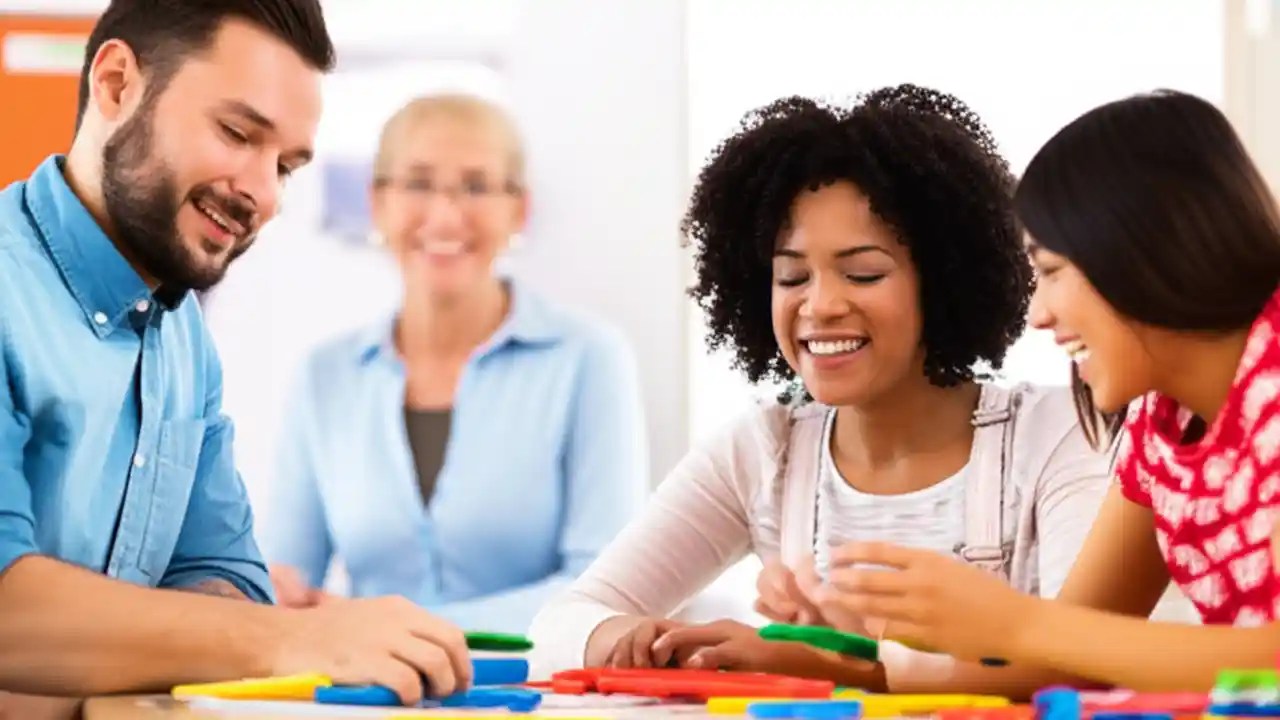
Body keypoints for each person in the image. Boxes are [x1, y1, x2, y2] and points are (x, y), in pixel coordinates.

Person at [528, 85, 1114, 690]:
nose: (821, 305)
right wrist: (644, 642)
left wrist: (845, 658)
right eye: (792, 276)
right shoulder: (765, 450)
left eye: (863, 273)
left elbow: (1088, 660)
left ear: (942, 282)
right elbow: (558, 626)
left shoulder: (1053, 436)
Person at [0, 0, 469, 706]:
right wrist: (295, 639)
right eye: (236, 133)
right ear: (117, 83)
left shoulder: (182, 336)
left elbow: (222, 572)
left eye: (285, 165)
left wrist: (230, 620)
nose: (262, 195)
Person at [801, 89, 1280, 694]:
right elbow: (1069, 655)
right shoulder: (1161, 425)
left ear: (1138, 246)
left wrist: (1019, 623)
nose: (1039, 315)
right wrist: (875, 651)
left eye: (1051, 271)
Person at [258, 93, 649, 633]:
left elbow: (608, 590)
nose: (445, 215)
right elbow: (285, 577)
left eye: (476, 186)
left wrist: (403, 625)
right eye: (417, 183)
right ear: (377, 203)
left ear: (519, 209)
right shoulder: (324, 377)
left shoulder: (588, 359)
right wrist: (272, 595)